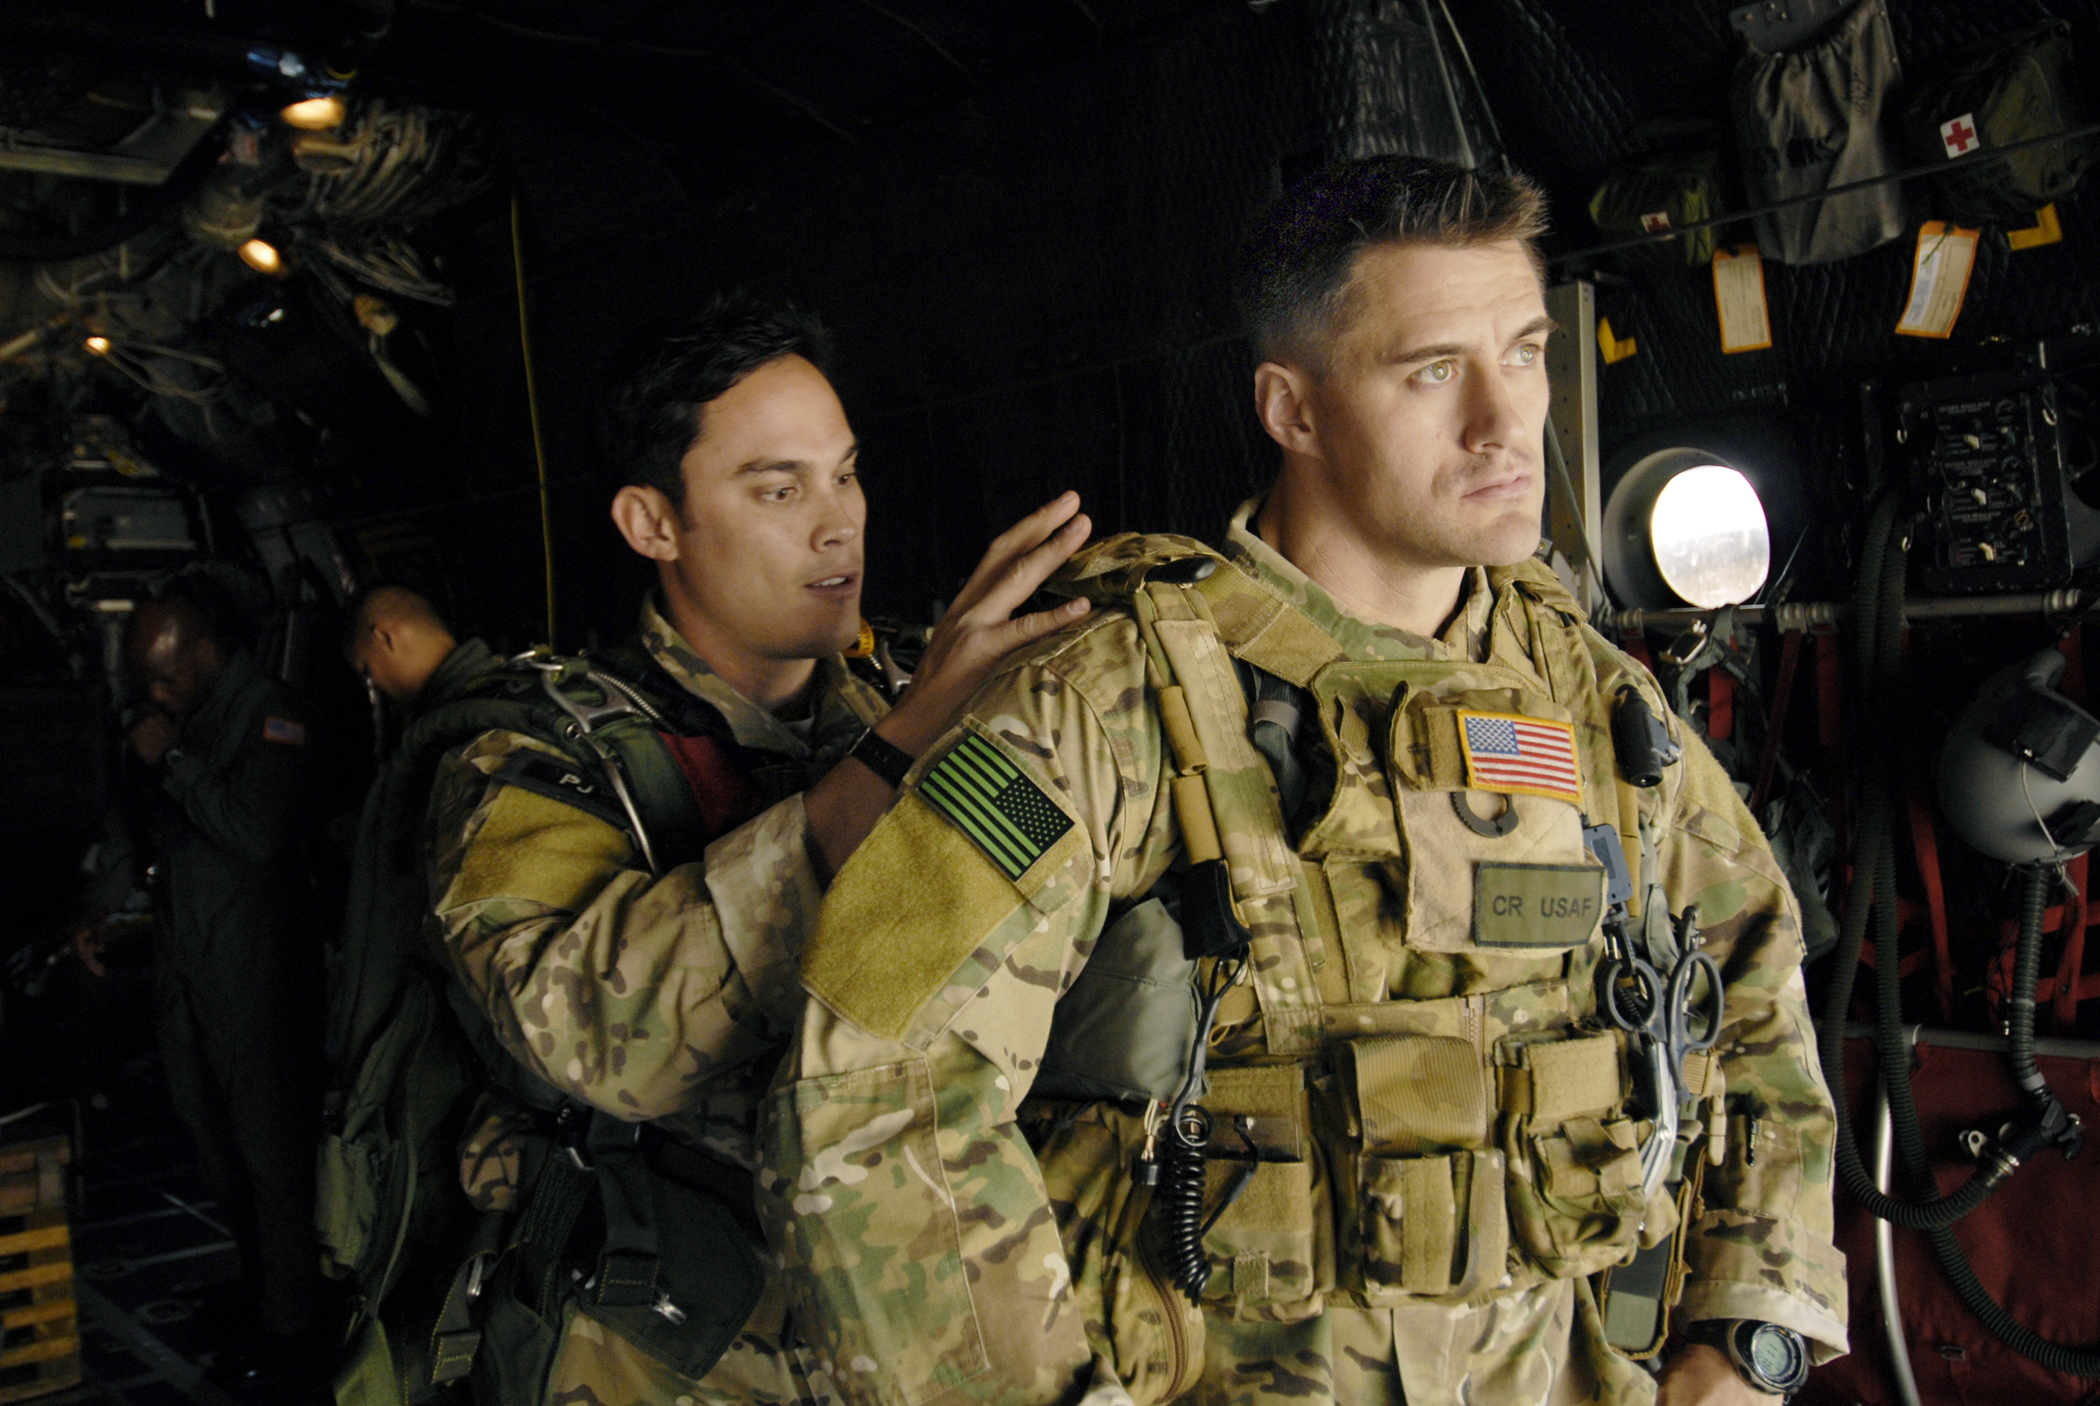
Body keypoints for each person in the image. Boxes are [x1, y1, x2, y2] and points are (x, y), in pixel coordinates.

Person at [759, 157, 1848, 1406]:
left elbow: (1754, 963)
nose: (1506, 420)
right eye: (1434, 370)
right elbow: (877, 1084)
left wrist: (1747, 1330)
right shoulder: (1116, 702)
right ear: (1294, 409)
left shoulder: (1588, 692)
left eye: (1529, 350)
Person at [418, 292, 1095, 1404]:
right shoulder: (529, 753)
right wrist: (897, 751)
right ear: (653, 523)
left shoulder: (913, 687)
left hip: (911, 1324)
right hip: (674, 1348)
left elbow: (1050, 909)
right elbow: (594, 1044)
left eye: (845, 472)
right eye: (780, 489)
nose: (840, 524)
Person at [83, 583, 329, 1386]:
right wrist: (101, 907)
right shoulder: (170, 720)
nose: (152, 694)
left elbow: (254, 833)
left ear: (205, 653)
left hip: (256, 968)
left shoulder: (273, 715)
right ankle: (257, 1288)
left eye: (163, 677)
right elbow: (132, 821)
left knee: (271, 1151)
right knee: (210, 1137)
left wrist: (177, 760)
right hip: (185, 959)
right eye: (143, 681)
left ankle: (293, 1325)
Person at [343, 583, 494, 713]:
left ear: (385, 637)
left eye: (366, 670)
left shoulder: (461, 721)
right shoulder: (499, 689)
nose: (373, 686)